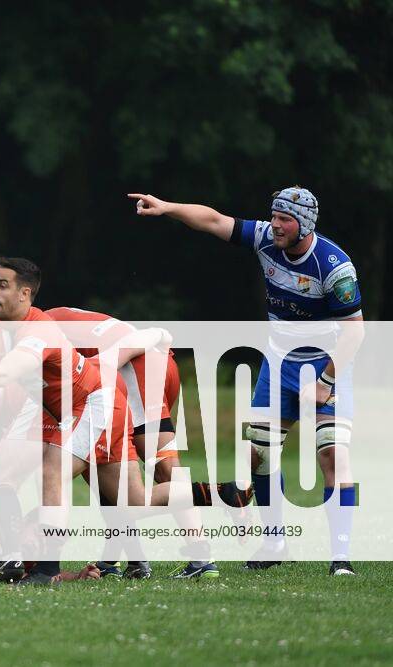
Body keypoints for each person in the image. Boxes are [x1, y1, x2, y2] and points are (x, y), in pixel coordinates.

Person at [0, 258, 218, 583]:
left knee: (55, 470)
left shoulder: (42, 330)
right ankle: (220, 493)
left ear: (25, 294)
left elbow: (5, 374)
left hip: (97, 403)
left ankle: (47, 568)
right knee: (131, 499)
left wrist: (158, 334)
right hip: (78, 407)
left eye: (2, 285)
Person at [130, 188, 363, 576]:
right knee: (261, 454)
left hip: (328, 364)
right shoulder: (265, 240)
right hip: (278, 364)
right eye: (272, 216)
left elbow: (355, 332)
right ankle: (275, 542)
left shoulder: (335, 267)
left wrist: (325, 382)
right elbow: (214, 220)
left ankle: (341, 558)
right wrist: (168, 206)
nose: (274, 225)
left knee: (332, 455)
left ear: (304, 224)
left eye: (284, 219)